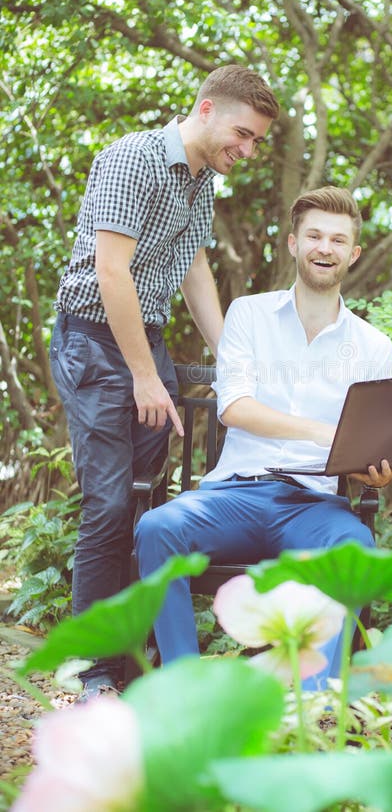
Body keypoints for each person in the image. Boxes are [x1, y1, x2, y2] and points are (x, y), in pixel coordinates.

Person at [50, 65, 280, 698]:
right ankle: (91, 669)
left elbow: (193, 266)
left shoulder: (201, 179)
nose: (249, 149)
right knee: (109, 502)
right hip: (93, 342)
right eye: (243, 133)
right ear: (205, 110)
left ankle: (136, 656)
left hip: (141, 338)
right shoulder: (134, 161)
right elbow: (110, 274)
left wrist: (233, 354)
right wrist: (146, 377)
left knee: (145, 502)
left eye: (257, 140)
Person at [135, 186, 392, 690]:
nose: (323, 248)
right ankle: (181, 690)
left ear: (352, 253)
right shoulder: (248, 314)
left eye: (336, 239)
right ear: (292, 243)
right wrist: (325, 433)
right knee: (156, 528)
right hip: (235, 495)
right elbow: (234, 407)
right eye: (313, 236)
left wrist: (380, 467)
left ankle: (316, 706)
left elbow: (372, 445)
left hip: (313, 505)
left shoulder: (374, 347)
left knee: (357, 547)